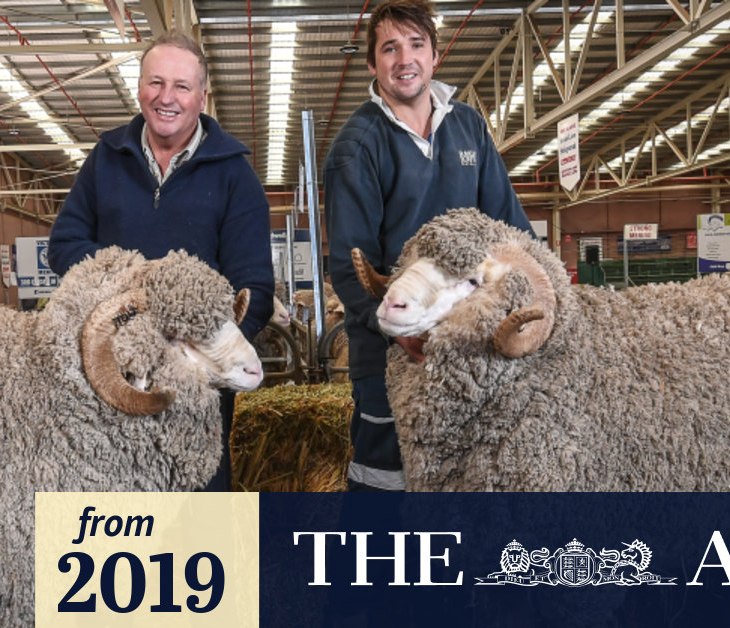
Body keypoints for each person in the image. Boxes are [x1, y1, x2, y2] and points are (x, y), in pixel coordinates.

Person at [47, 30, 274, 491]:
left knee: (195, 507)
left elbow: (255, 288)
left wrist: (201, 357)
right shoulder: (107, 158)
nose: (166, 98)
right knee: (107, 505)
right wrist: (143, 280)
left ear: (202, 96)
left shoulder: (235, 174)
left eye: (181, 86)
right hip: (112, 370)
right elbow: (64, 244)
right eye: (155, 83)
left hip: (193, 386)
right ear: (139, 88)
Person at [324, 0, 532, 491]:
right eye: (389, 48)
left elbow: (510, 228)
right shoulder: (358, 145)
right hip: (394, 346)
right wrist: (399, 332)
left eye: (417, 45)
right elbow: (348, 262)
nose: (405, 59)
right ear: (373, 63)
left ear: (435, 56)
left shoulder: (468, 128)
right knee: (387, 473)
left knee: (469, 472)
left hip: (472, 342)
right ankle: (373, 565)